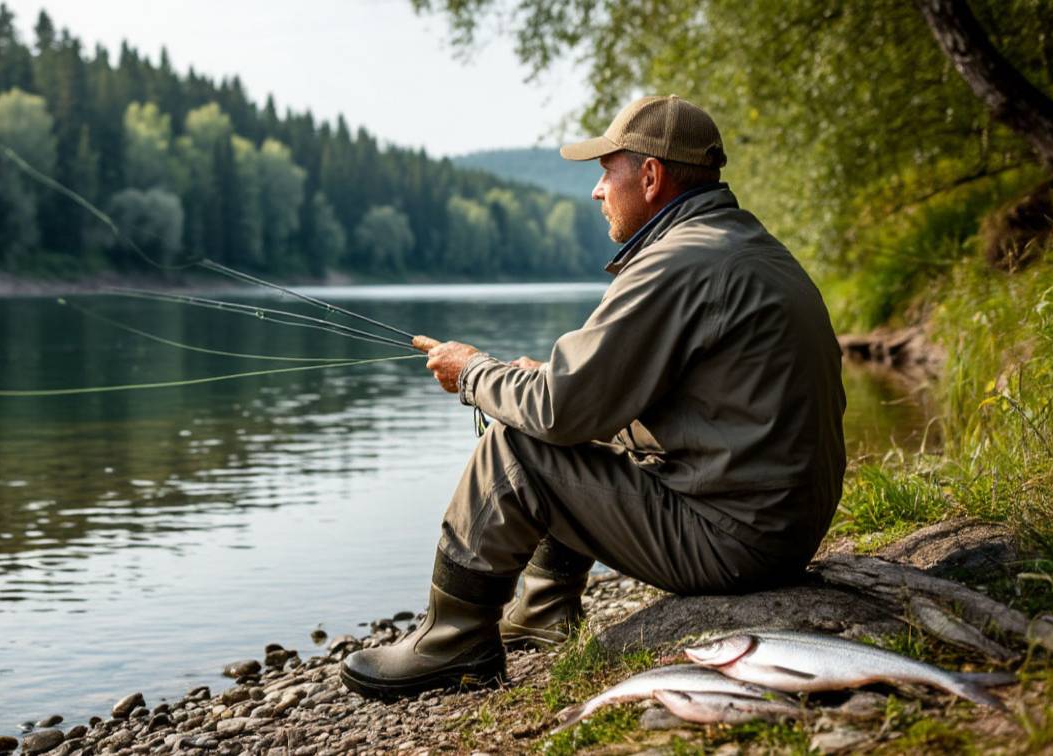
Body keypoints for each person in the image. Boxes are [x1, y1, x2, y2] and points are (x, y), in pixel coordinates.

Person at [339, 95, 846, 699]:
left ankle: (454, 644)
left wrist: (474, 372)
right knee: (573, 422)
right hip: (778, 527)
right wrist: (534, 378)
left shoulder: (680, 262)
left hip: (737, 544)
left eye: (608, 171)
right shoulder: (735, 244)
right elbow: (605, 394)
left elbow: (560, 409)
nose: (597, 190)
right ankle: (545, 611)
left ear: (651, 177)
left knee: (515, 448)